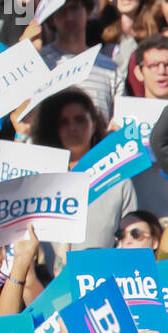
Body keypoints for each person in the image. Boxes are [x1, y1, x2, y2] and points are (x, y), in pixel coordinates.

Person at [16, 87, 133, 251]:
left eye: (80, 119)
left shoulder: (117, 177)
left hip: (104, 273)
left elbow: (132, 236)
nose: (72, 127)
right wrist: (20, 136)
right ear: (53, 129)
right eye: (64, 122)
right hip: (47, 275)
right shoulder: (39, 177)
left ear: (94, 123)